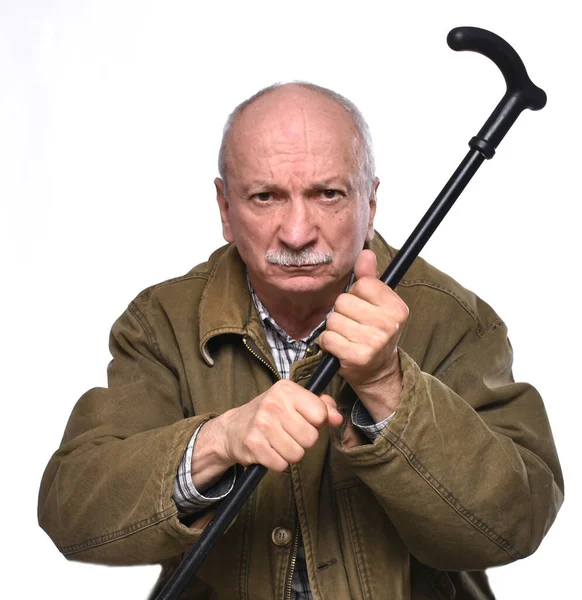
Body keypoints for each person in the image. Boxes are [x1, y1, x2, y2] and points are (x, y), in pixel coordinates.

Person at [38, 82, 564, 600]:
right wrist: (219, 440)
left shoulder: (454, 319)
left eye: (328, 194)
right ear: (225, 209)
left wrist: (388, 386)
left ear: (371, 202)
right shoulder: (161, 323)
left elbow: (513, 525)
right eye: (265, 197)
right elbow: (72, 512)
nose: (296, 232)